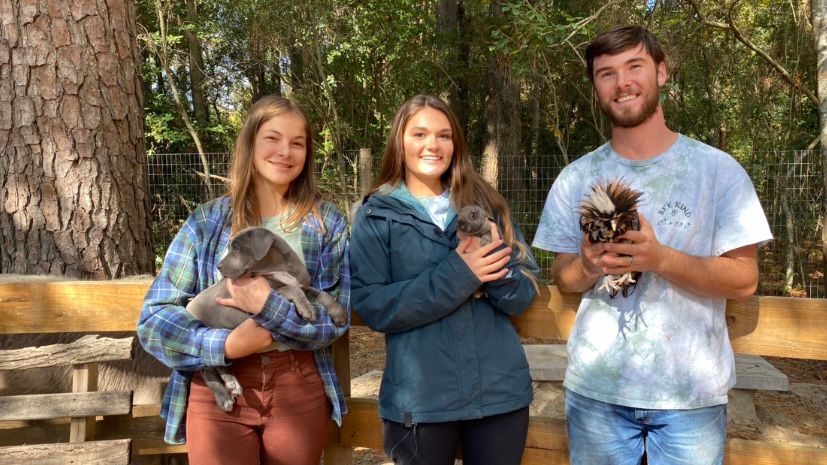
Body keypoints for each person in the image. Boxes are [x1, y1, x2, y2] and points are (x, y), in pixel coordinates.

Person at [532, 26, 773, 465]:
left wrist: (659, 258)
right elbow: (563, 276)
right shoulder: (576, 177)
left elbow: (744, 279)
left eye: (634, 67)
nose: (621, 82)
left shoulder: (717, 171)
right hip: (598, 391)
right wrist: (587, 264)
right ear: (595, 87)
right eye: (607, 73)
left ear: (661, 72)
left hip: (691, 395)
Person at [137, 95, 350, 465]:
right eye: (272, 138)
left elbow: (334, 319)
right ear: (250, 144)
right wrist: (226, 345)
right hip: (219, 385)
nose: (285, 152)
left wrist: (269, 308)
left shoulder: (326, 223)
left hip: (297, 382)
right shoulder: (207, 222)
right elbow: (154, 320)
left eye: (297, 143)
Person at [349, 94, 540, 465]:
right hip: (419, 403)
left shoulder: (487, 205)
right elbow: (373, 306)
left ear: (456, 144)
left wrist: (493, 272)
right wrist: (462, 274)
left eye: (444, 135)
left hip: (498, 396)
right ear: (400, 142)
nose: (432, 145)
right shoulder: (375, 215)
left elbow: (522, 294)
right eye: (419, 134)